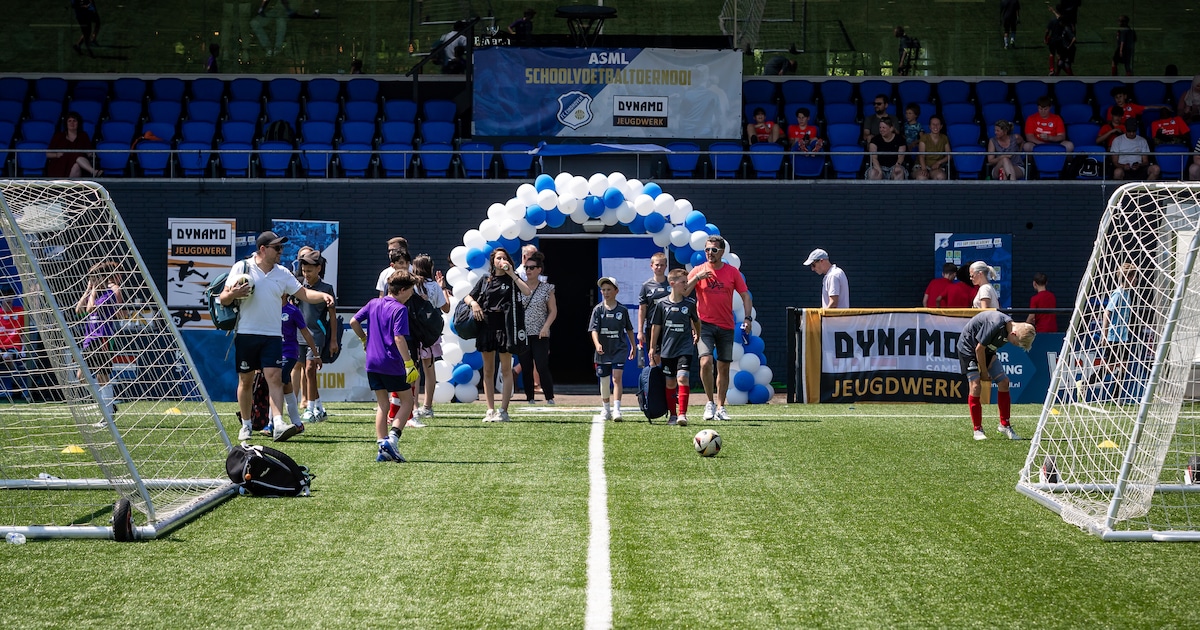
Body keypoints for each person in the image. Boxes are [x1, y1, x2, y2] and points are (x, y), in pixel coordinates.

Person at [220, 231, 333, 443]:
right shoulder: (242, 268)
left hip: (273, 335)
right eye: (277, 248)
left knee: (274, 377)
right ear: (263, 249)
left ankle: (279, 423)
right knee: (246, 380)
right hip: (246, 333)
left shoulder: (282, 273)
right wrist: (234, 294)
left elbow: (304, 294)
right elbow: (223, 299)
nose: (281, 251)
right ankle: (246, 425)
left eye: (281, 247)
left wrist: (323, 296)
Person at [350, 270, 420, 463]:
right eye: (411, 290)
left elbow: (354, 321)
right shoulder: (400, 309)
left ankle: (382, 447)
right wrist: (409, 363)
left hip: (372, 363)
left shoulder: (374, 303)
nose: (411, 294)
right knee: (408, 401)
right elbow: (399, 338)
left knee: (382, 404)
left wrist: (364, 339)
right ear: (403, 290)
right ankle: (392, 439)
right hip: (392, 362)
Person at [686, 236, 752, 422]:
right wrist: (697, 278)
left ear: (722, 252)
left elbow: (746, 296)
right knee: (705, 362)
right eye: (707, 250)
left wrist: (747, 318)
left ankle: (721, 406)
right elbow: (683, 292)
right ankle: (709, 403)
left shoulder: (732, 272)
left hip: (726, 325)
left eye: (714, 250)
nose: (710, 253)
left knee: (723, 367)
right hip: (703, 325)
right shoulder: (698, 270)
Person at [462, 247, 531, 423]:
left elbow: (527, 291)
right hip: (487, 326)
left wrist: (512, 274)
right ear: (493, 261)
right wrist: (474, 304)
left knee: (506, 369)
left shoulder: (513, 279)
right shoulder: (486, 279)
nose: (501, 261)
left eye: (504, 258)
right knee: (488, 370)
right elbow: (468, 297)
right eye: (498, 258)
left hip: (505, 327)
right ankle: (490, 409)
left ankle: (504, 410)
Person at [958, 310, 1037, 440]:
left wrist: (989, 366)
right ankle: (977, 429)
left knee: (1004, 382)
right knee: (976, 386)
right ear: (1013, 334)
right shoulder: (995, 324)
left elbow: (990, 349)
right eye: (1016, 343)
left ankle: (1004, 425)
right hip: (969, 348)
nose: (1015, 345)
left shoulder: (1009, 330)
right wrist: (984, 373)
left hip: (987, 350)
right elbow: (979, 349)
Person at [649, 269, 701, 427]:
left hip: (684, 348)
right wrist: (652, 347)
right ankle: (672, 415)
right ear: (672, 283)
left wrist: (697, 334)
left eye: (687, 282)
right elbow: (656, 326)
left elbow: (696, 321)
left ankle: (682, 414)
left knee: (683, 378)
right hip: (667, 350)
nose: (686, 285)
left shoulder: (689, 304)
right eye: (683, 282)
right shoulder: (662, 304)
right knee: (670, 383)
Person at [1080, 263, 1137, 403]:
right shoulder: (1118, 294)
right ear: (1128, 278)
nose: (1136, 280)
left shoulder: (1127, 293)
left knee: (1124, 366)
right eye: (1134, 277)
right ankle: (1084, 384)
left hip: (1124, 337)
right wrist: (1104, 334)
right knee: (1109, 368)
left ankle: (1116, 397)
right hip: (1114, 337)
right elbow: (1107, 313)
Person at [74, 260, 122, 413]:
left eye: (95, 278)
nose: (93, 281)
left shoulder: (109, 294)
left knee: (103, 375)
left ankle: (107, 411)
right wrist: (88, 290)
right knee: (81, 376)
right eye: (92, 279)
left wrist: (93, 290)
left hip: (103, 338)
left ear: (103, 278)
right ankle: (107, 403)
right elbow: (78, 310)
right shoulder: (94, 294)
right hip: (90, 339)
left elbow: (90, 309)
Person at [296, 249, 336, 422]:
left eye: (310, 271)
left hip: (317, 335)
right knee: (307, 372)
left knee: (310, 369)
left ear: (319, 268)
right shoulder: (298, 286)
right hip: (298, 335)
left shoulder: (327, 289)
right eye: (304, 271)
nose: (306, 274)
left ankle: (310, 409)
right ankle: (319, 407)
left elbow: (332, 316)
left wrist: (333, 340)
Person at [589, 277, 636, 421]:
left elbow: (629, 329)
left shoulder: (622, 310)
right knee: (604, 380)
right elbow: (593, 330)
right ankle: (606, 409)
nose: (606, 292)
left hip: (618, 349)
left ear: (616, 291)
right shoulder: (598, 309)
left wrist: (633, 346)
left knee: (617, 378)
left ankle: (617, 409)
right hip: (603, 351)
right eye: (603, 290)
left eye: (609, 289)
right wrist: (597, 344)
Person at [411, 254, 450, 423]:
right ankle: (427, 407)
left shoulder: (412, 285)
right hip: (430, 333)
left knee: (414, 369)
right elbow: (446, 308)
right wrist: (443, 288)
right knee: (429, 369)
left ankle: (414, 406)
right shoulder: (434, 286)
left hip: (414, 330)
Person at [517, 252, 556, 405]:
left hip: (540, 333)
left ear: (539, 269)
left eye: (532, 268)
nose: (528, 271)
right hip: (523, 333)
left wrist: (546, 327)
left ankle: (549, 397)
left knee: (541, 365)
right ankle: (530, 397)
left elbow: (553, 310)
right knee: (525, 366)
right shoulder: (519, 287)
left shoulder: (546, 288)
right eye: (526, 268)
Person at [280, 294, 320, 432]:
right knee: (286, 385)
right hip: (272, 352)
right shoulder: (269, 309)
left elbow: (306, 333)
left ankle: (273, 422)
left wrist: (316, 353)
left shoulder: (293, 311)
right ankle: (297, 423)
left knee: (277, 383)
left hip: (289, 353)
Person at [637, 252, 670, 365]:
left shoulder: (671, 284)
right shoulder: (646, 286)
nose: (659, 267)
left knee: (669, 358)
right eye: (657, 265)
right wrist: (640, 331)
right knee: (654, 358)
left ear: (666, 266)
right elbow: (642, 309)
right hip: (652, 327)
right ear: (651, 266)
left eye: (662, 265)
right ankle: (653, 376)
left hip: (669, 327)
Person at [47, 112, 101, 178]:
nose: (72, 123)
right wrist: (56, 155)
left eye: (74, 121)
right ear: (66, 123)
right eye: (69, 121)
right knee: (76, 155)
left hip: (78, 165)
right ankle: (93, 171)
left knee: (76, 164)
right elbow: (48, 154)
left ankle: (71, 185)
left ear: (78, 123)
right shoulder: (58, 136)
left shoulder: (83, 135)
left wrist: (92, 155)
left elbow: (89, 152)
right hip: (60, 163)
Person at [913, 114, 949, 181]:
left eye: (937, 124)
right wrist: (924, 169)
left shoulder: (944, 138)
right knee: (922, 177)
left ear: (941, 126)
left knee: (940, 176)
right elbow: (921, 156)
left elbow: (949, 155)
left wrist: (938, 162)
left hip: (936, 167)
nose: (935, 126)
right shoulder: (924, 138)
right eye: (933, 124)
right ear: (929, 126)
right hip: (922, 166)